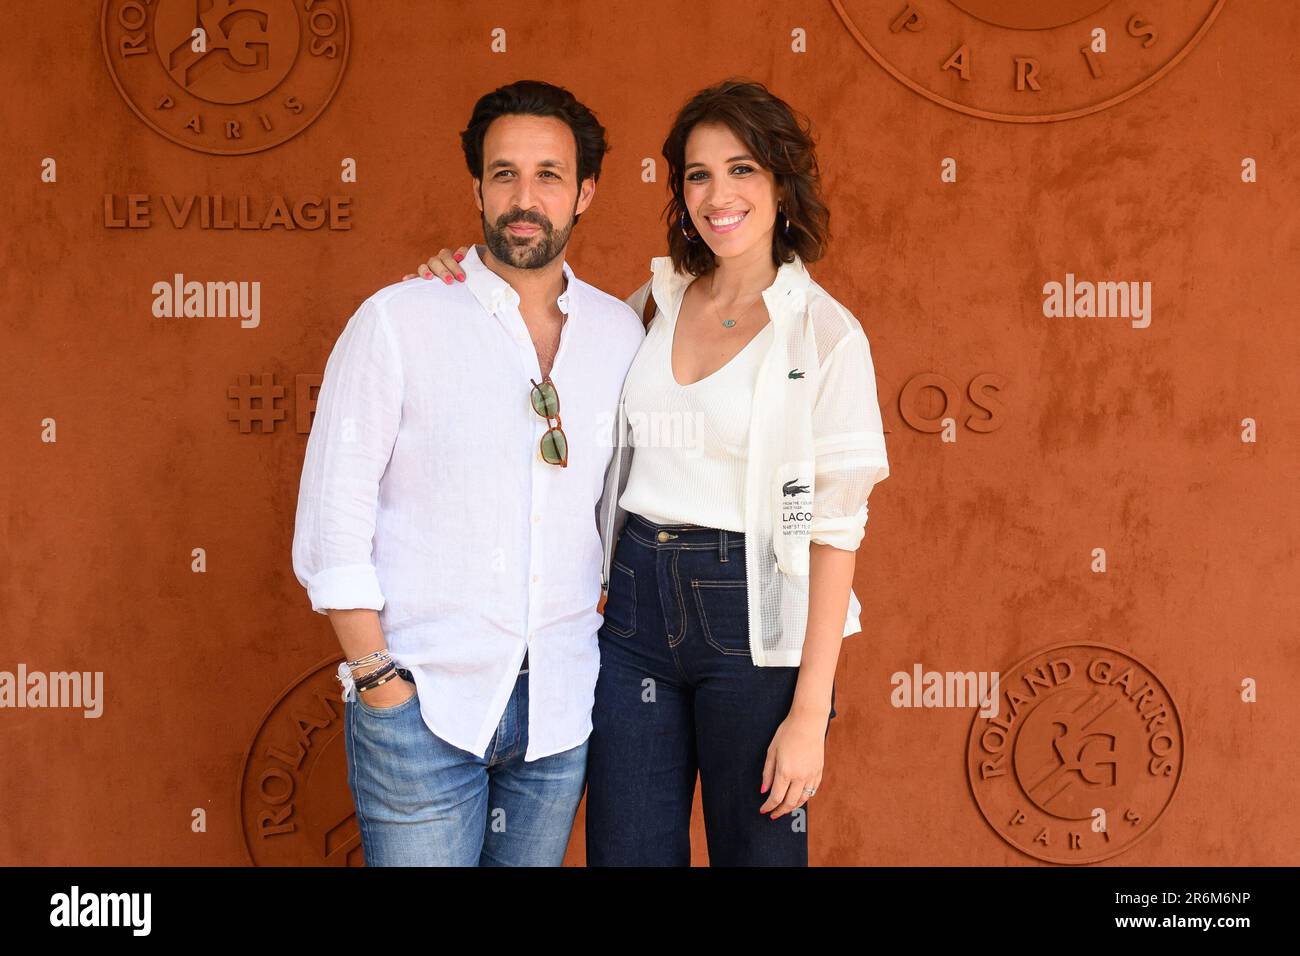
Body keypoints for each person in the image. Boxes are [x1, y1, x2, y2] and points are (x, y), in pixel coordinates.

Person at [409, 77, 890, 866]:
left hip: (756, 622)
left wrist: (809, 714)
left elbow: (835, 531)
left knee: (759, 854)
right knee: (626, 852)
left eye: (742, 169)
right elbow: (538, 335)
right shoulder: (652, 304)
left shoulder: (824, 334)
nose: (718, 193)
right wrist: (460, 278)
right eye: (697, 174)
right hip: (632, 613)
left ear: (780, 184)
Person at [292, 79, 645, 866]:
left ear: (585, 191)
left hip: (558, 709)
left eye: (549, 175)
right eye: (504, 174)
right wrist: (378, 679)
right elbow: (333, 512)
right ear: (477, 188)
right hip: (421, 704)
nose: (525, 197)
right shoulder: (399, 318)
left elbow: (619, 507)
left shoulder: (621, 334)